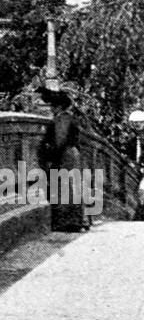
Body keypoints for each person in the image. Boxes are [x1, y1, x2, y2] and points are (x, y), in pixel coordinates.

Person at [37, 85, 85, 232]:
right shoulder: (69, 118)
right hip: (71, 154)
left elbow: (60, 140)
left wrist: (50, 157)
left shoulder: (62, 119)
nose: (51, 109)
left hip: (66, 156)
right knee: (71, 186)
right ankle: (74, 220)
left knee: (65, 186)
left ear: (58, 106)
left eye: (53, 106)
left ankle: (67, 222)